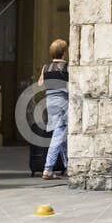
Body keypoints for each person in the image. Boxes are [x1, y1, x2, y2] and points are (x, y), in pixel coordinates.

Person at [39, 40, 69, 179]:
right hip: (63, 102)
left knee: (62, 135)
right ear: (64, 53)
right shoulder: (67, 67)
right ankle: (48, 169)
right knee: (59, 134)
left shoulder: (46, 67)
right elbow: (70, 86)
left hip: (50, 102)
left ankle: (68, 166)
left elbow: (40, 83)